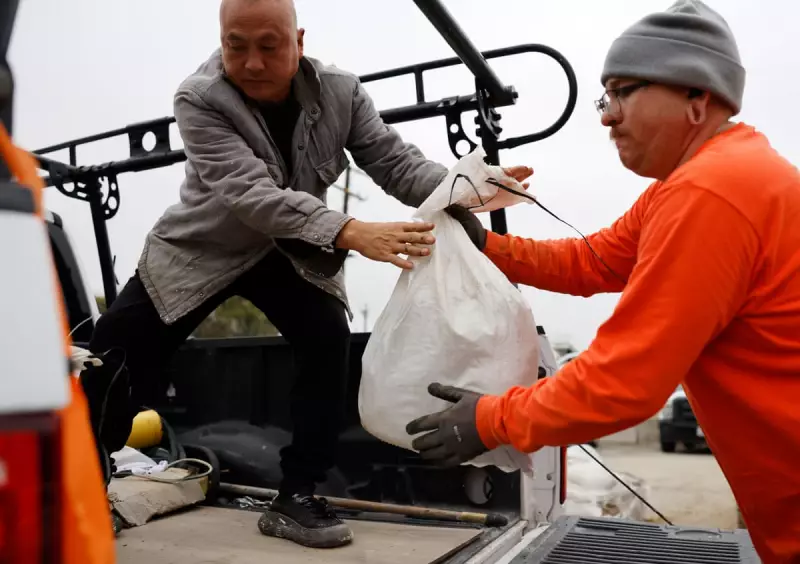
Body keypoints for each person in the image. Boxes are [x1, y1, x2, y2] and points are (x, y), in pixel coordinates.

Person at [80, 0, 530, 550]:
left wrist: (472, 185)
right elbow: (251, 194)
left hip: (293, 251)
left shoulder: (342, 92)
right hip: (198, 249)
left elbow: (394, 162)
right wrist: (352, 231)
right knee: (114, 355)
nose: (250, 62)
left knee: (326, 341)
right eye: (234, 45)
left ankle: (298, 494)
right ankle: (79, 484)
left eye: (269, 46)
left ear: (299, 40)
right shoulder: (197, 98)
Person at [410, 1, 800, 562]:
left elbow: (626, 379)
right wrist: (485, 245)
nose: (606, 115)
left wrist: (493, 418)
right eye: (604, 96)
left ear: (697, 98)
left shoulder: (712, 193)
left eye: (623, 92)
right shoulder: (694, 184)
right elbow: (589, 261)